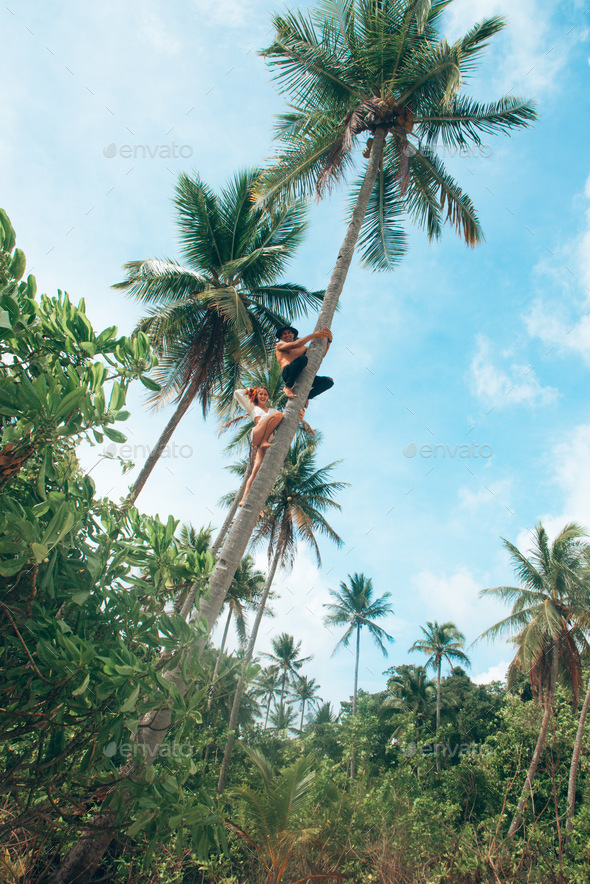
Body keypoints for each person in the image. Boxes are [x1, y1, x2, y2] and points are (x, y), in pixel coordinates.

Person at [233, 386, 305, 506]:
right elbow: (237, 393)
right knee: (278, 415)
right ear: (256, 395)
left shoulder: (272, 410)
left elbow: (288, 420)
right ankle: (264, 440)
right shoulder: (252, 407)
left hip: (266, 441)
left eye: (265, 394)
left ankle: (243, 499)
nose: (263, 396)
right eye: (260, 394)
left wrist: (300, 415)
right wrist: (248, 390)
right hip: (257, 435)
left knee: (256, 469)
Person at [275, 325, 334, 402]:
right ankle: (287, 387)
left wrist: (329, 341)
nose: (287, 335)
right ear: (281, 337)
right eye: (284, 334)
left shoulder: (303, 348)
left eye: (289, 333)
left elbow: (320, 355)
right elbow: (295, 344)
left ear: (293, 335)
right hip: (288, 373)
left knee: (329, 381)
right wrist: (314, 335)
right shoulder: (280, 345)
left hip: (301, 374)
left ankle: (307, 397)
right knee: (302, 359)